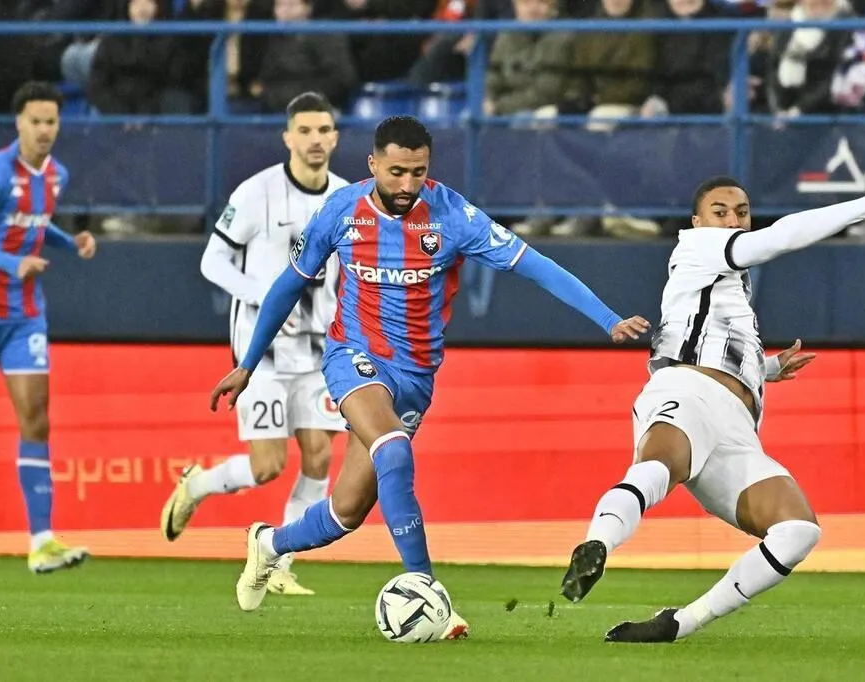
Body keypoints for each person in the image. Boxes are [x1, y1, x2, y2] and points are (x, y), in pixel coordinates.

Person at [209, 115, 649, 638]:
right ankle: (428, 592)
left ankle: (270, 544)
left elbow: (537, 265)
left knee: (346, 513)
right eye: (395, 172)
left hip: (416, 376)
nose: (406, 185)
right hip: (353, 356)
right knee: (393, 449)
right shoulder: (340, 211)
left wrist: (607, 318)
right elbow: (288, 286)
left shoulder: (451, 214)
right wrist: (248, 363)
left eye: (418, 172)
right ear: (372, 164)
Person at [560, 176, 865, 642]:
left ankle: (680, 622)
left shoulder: (724, 284)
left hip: (736, 429)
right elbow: (781, 237)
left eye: (741, 211)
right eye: (720, 211)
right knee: (662, 463)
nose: (732, 219)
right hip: (687, 389)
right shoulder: (699, 247)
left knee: (798, 530)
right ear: (697, 221)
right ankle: (597, 542)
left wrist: (770, 367)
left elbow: (715, 345)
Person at [161, 92, 347, 596]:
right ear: (288, 137)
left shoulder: (347, 198)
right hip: (261, 353)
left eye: (324, 130)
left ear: (335, 137)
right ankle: (197, 485)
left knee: (318, 456)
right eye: (305, 131)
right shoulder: (256, 192)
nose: (315, 140)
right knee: (268, 466)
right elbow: (212, 262)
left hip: (318, 352)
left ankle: (280, 562)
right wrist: (266, 298)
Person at [0, 81, 98, 573]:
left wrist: (71, 244)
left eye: (52, 121)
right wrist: (10, 264)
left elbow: (33, 222)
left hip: (25, 314)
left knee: (36, 417)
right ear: (18, 124)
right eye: (36, 121)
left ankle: (42, 541)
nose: (45, 130)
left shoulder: (56, 175)